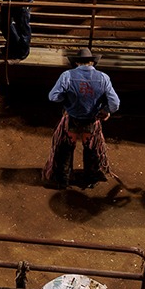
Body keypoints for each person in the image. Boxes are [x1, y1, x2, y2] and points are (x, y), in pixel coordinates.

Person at [45, 47, 119, 189]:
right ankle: (90, 179)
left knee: (67, 146)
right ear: (92, 62)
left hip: (72, 118)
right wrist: (105, 111)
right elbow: (115, 103)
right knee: (90, 146)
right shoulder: (103, 77)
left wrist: (66, 99)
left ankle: (63, 180)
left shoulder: (67, 76)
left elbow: (53, 96)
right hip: (91, 119)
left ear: (77, 63)